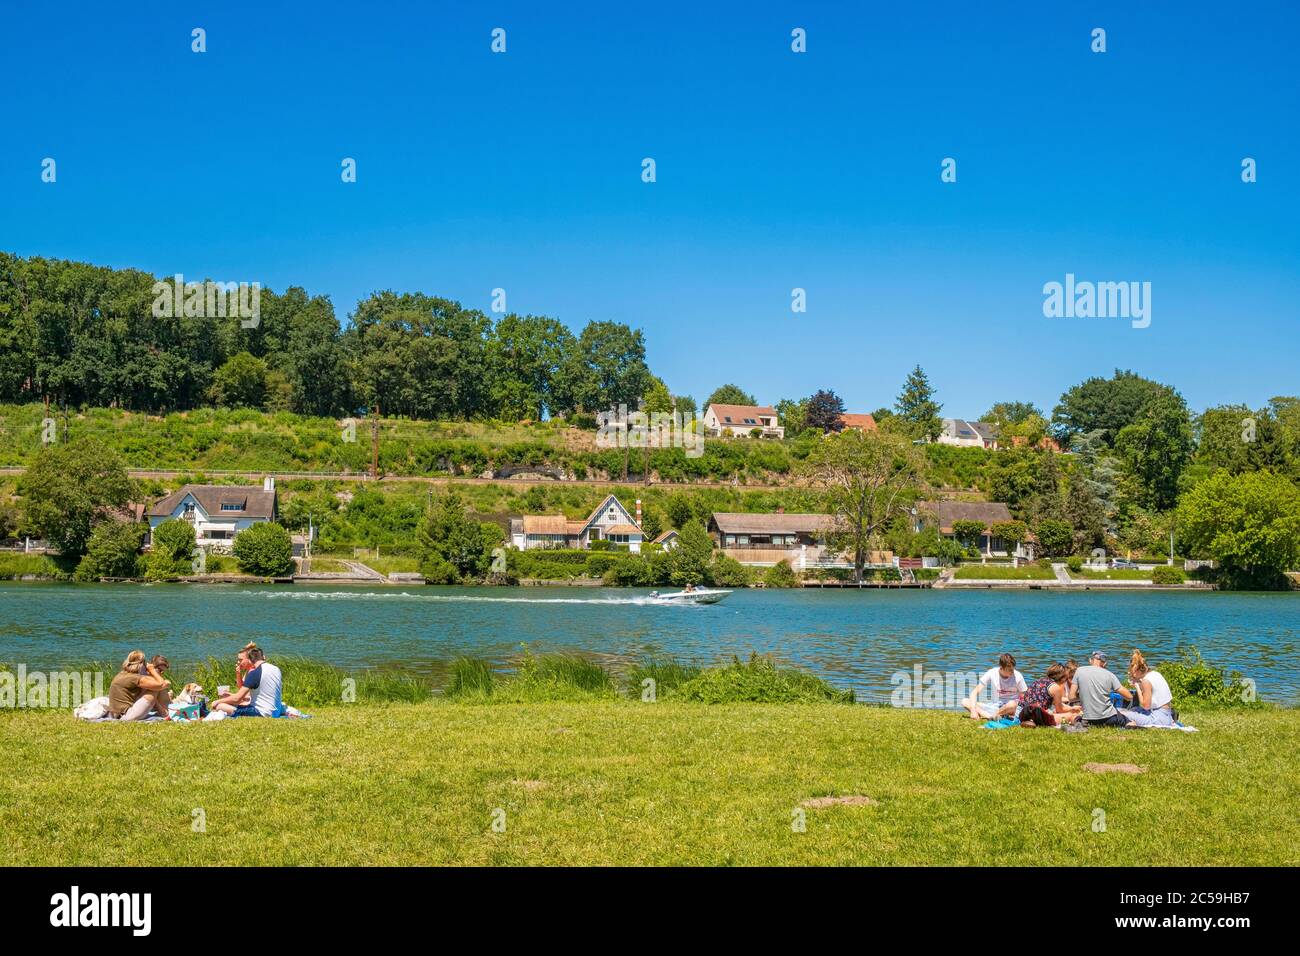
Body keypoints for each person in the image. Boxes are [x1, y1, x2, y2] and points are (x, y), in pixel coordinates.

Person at [211, 643, 284, 718]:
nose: (238, 662)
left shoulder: (254, 673)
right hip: (276, 712)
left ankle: (237, 714)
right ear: (263, 657)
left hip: (262, 713)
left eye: (241, 660)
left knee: (220, 706)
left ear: (249, 659)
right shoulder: (276, 669)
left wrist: (217, 701)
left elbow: (237, 699)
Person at [1073, 651, 1134, 728]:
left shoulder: (1079, 671)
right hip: (1109, 718)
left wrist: (1084, 698)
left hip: (1087, 719)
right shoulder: (1110, 675)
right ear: (1105, 663)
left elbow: (1071, 696)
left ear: (1090, 660)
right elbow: (1129, 696)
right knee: (1131, 722)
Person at [107, 650, 172, 721]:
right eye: (144, 664)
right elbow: (162, 684)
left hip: (118, 714)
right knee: (156, 689)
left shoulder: (124, 674)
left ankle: (168, 711)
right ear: (141, 665)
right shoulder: (134, 678)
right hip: (126, 715)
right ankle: (168, 712)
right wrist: (152, 670)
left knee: (156, 688)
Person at [1118, 649, 1176, 728]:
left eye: (1133, 675)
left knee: (1120, 712)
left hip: (1157, 719)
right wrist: (1139, 683)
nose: (1132, 676)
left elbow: (1145, 706)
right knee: (1134, 709)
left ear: (1137, 671)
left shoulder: (1146, 681)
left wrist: (1137, 686)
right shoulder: (1155, 674)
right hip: (1167, 714)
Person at [962, 653, 1027, 721]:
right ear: (1001, 668)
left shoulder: (1018, 676)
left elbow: (1024, 697)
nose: (1012, 672)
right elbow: (974, 692)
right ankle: (992, 716)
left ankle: (992, 715)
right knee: (965, 701)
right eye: (1010, 670)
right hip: (996, 706)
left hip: (1011, 707)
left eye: (1013, 669)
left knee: (1012, 705)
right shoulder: (992, 673)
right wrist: (973, 711)